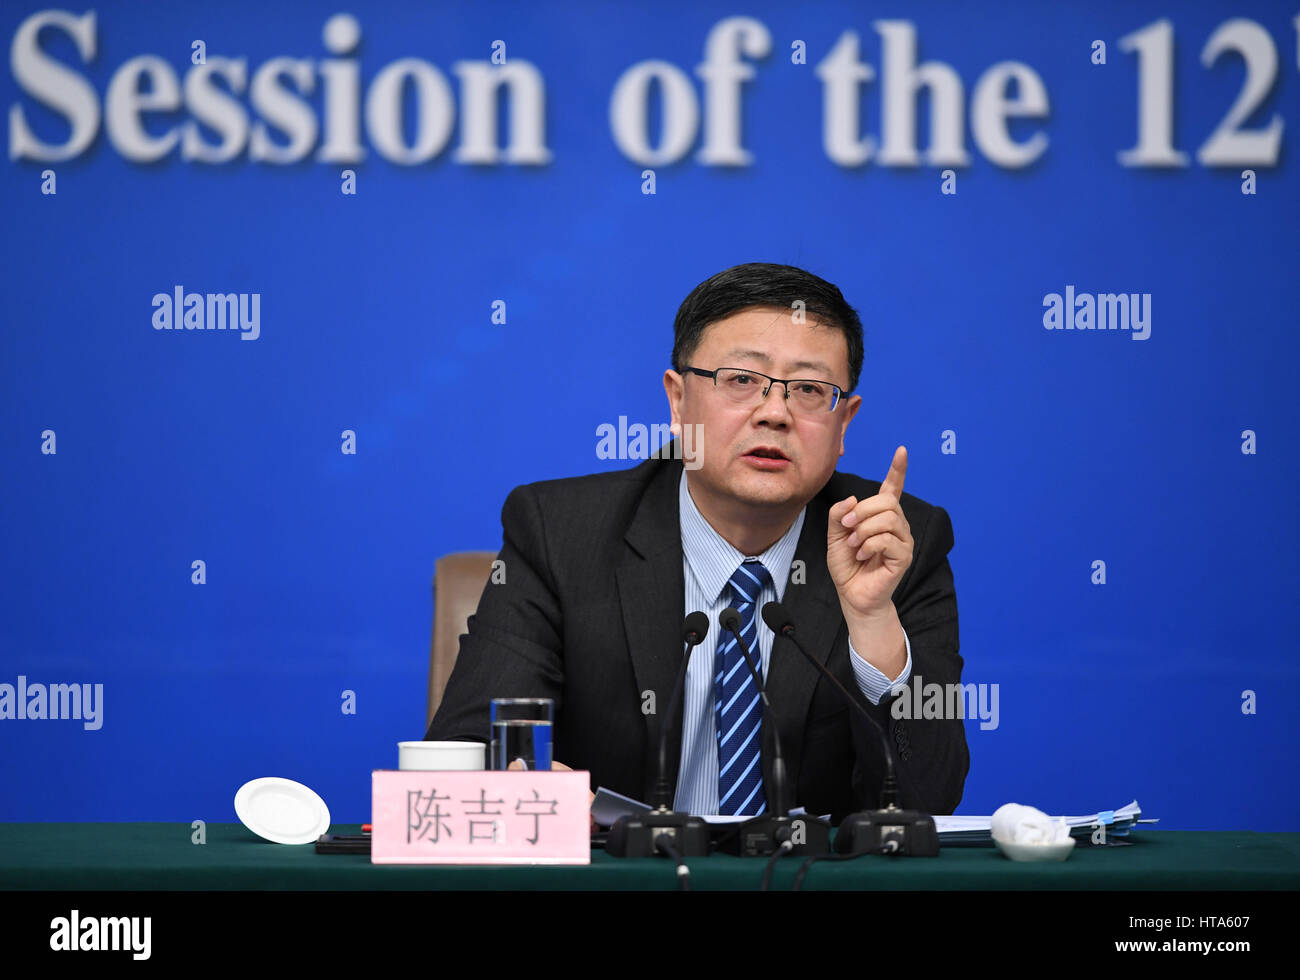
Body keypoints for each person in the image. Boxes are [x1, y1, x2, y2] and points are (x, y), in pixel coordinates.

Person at [425, 262, 968, 821]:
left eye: (808, 389)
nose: (774, 413)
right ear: (679, 402)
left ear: (844, 422)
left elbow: (929, 800)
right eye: (740, 380)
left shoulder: (893, 543)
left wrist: (873, 622)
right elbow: (468, 755)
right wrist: (540, 792)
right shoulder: (559, 533)